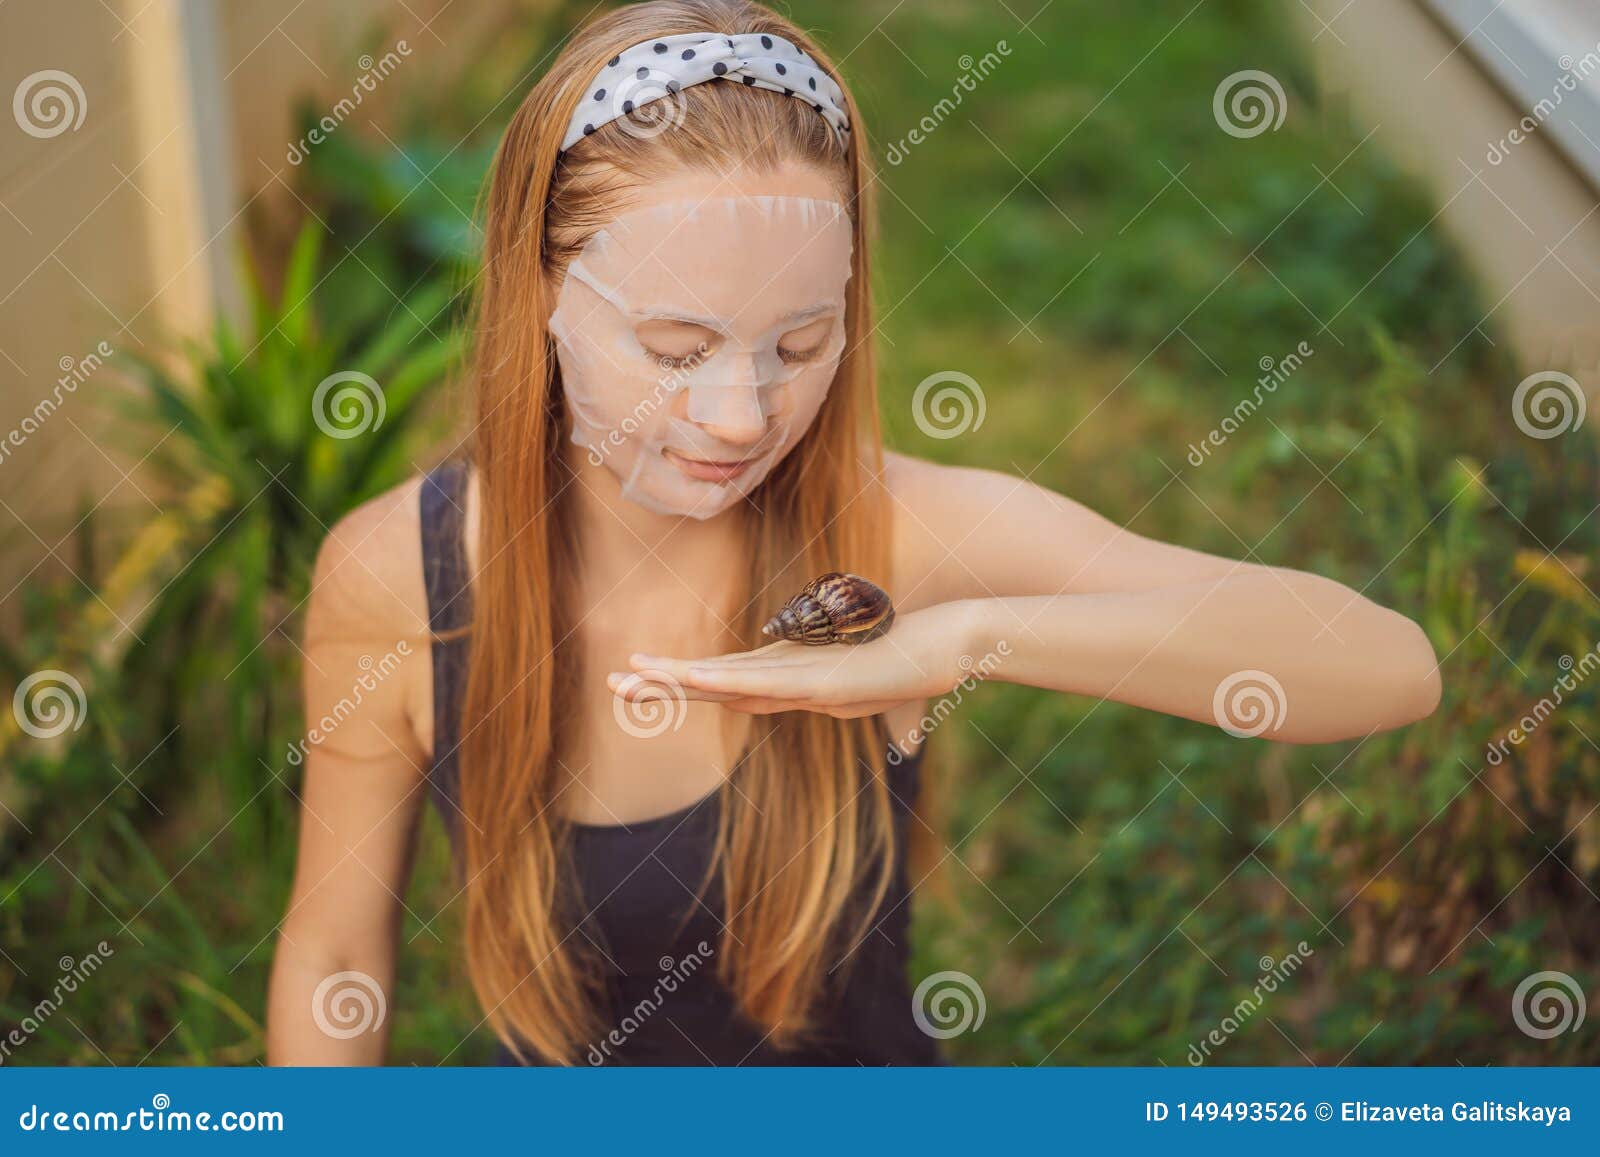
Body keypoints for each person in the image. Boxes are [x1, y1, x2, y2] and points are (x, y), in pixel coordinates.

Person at [265, 0, 1440, 1066]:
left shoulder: (901, 530)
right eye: (676, 350)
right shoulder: (400, 578)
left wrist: (963, 638)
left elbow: (1382, 665)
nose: (739, 415)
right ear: (540, 296)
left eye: (798, 342)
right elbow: (335, 963)